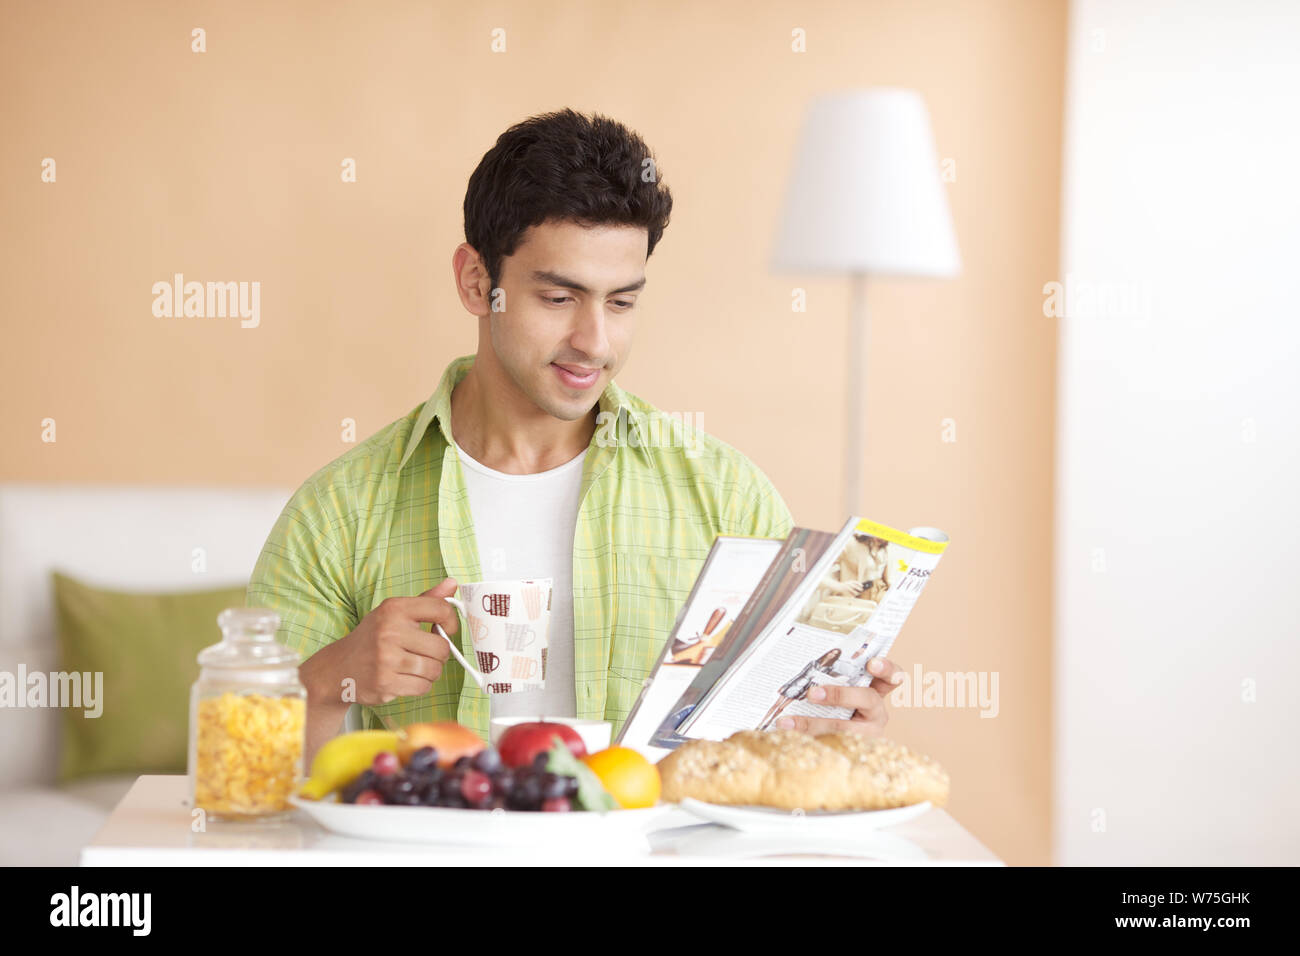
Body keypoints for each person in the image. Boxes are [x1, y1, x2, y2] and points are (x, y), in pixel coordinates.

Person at [246, 108, 902, 762]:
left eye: (621, 302)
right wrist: (334, 678)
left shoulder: (727, 498)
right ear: (478, 282)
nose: (595, 343)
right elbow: (246, 767)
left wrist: (837, 733)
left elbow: (779, 759)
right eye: (559, 299)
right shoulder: (340, 510)